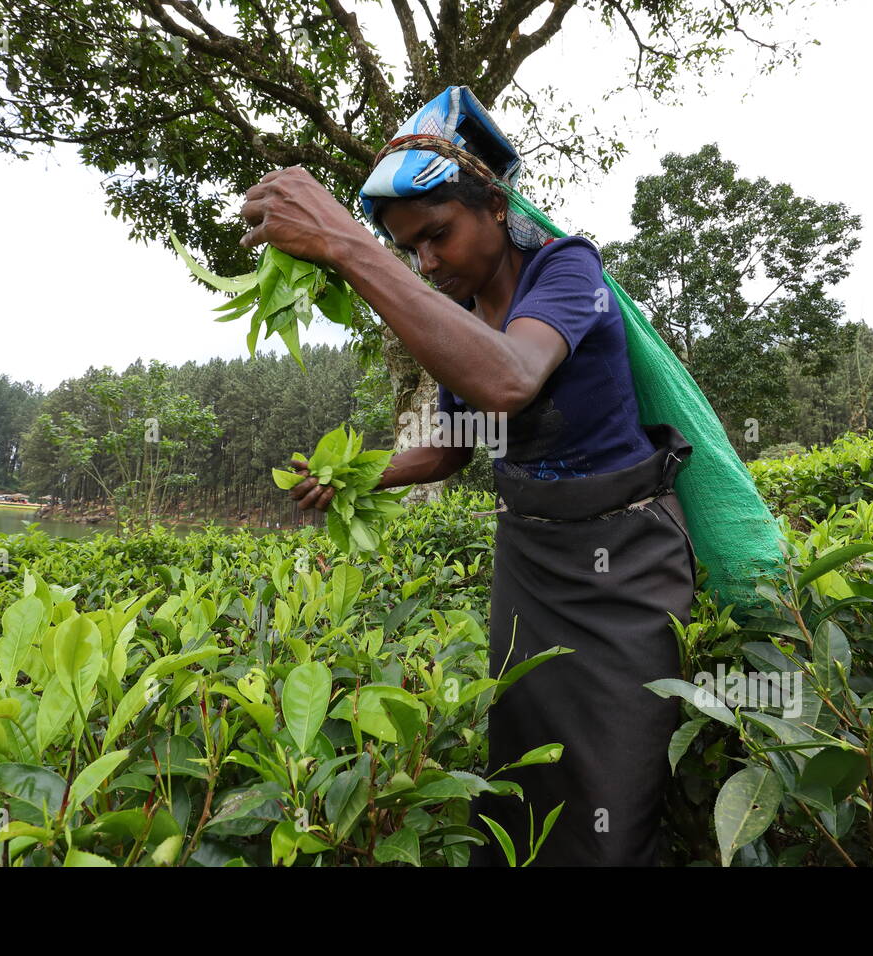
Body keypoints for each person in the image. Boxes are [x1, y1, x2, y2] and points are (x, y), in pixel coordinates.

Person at [238, 87, 696, 867]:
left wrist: (350, 248)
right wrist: (353, 475)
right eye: (409, 249)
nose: (427, 262)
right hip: (533, 566)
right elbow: (457, 446)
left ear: (493, 203)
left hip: (625, 562)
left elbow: (512, 380)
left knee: (617, 787)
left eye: (438, 235)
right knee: (525, 772)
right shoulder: (461, 315)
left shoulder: (565, 269)